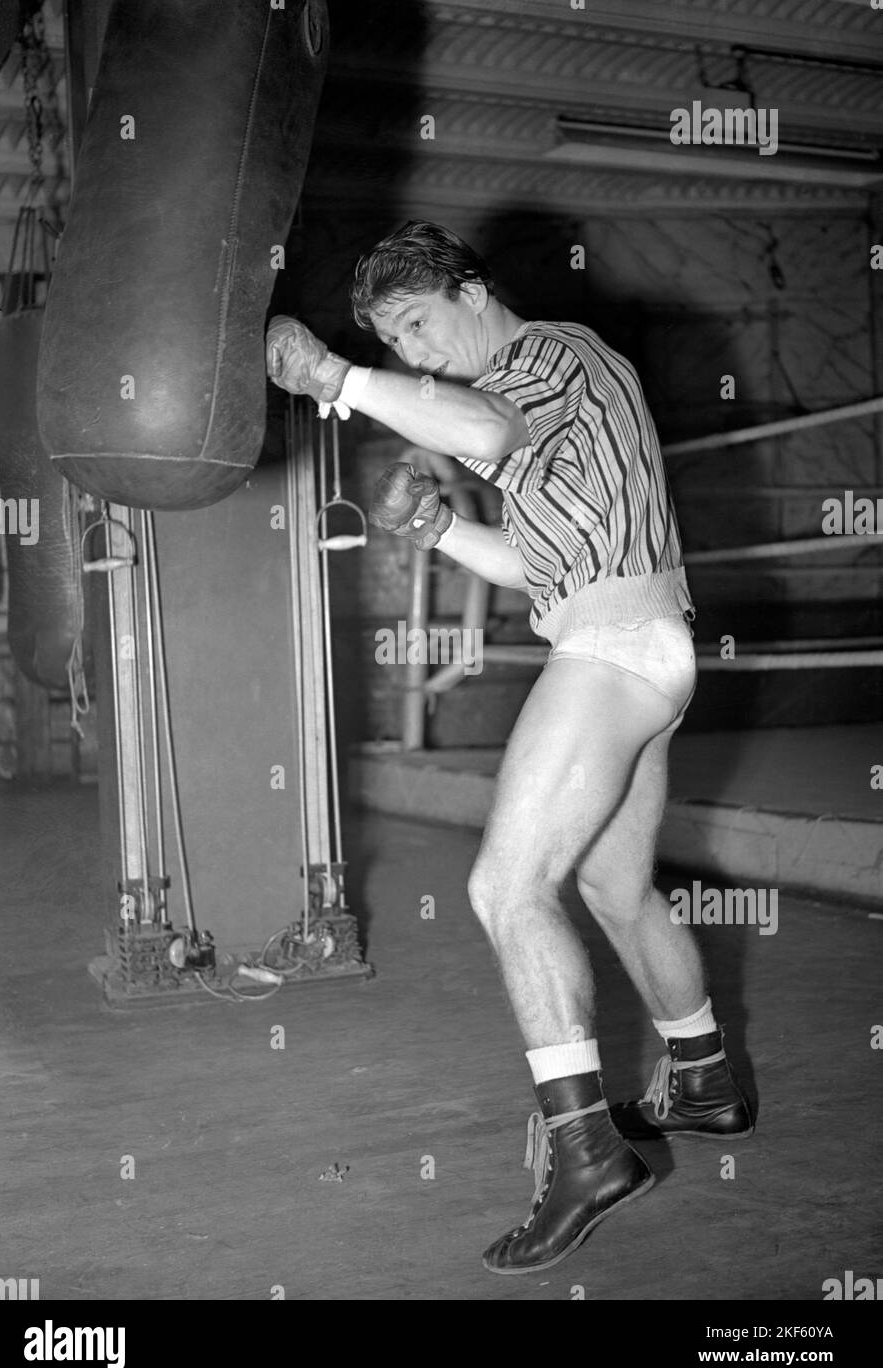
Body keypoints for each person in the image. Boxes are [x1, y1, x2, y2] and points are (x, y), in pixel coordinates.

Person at [266, 221, 753, 1276]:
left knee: (505, 889)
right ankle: (706, 1076)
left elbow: (480, 431)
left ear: (473, 289)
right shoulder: (553, 412)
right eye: (395, 343)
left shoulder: (550, 356)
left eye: (419, 324)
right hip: (642, 646)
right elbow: (542, 574)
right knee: (618, 889)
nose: (418, 353)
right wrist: (438, 534)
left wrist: (338, 380)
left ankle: (586, 1155)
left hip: (615, 652)